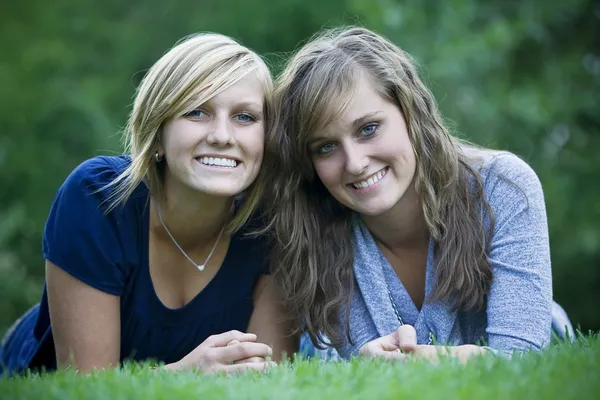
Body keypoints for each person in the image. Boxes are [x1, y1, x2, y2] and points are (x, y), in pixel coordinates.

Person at [265, 26, 573, 362]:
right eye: (326, 147)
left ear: (410, 112)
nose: (354, 163)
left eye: (368, 129)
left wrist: (433, 359)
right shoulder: (311, 229)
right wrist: (363, 362)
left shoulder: (503, 186)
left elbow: (521, 356)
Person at [0, 32, 296, 376]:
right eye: (197, 112)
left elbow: (264, 377)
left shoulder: (275, 223)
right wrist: (188, 374)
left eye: (245, 117)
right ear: (157, 134)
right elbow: (88, 385)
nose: (221, 136)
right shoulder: (99, 196)